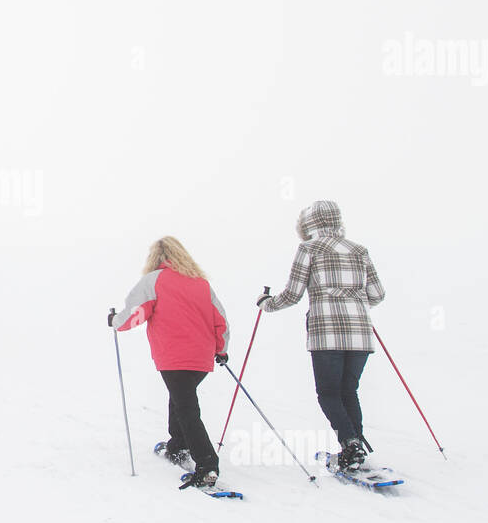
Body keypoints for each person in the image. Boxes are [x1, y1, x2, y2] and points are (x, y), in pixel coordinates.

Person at [258, 200, 384, 472]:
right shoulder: (359, 250)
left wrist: (266, 304)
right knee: (349, 390)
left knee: (328, 393)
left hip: (326, 333)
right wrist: (355, 305)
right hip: (360, 334)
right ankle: (355, 445)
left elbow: (293, 294)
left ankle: (350, 445)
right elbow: (377, 294)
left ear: (308, 225)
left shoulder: (309, 249)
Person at [110, 237, 229, 490]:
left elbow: (136, 313)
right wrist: (221, 349)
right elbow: (220, 320)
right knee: (181, 398)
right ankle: (178, 445)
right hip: (202, 357)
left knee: (186, 407)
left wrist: (115, 322)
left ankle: (207, 466)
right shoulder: (201, 284)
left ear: (156, 258)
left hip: (174, 356)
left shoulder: (153, 281)